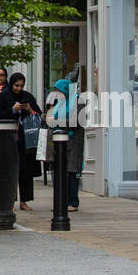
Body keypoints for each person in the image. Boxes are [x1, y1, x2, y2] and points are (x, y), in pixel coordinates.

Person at [0, 73, 41, 210]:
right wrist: (12, 110)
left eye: (21, 86)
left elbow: (38, 113)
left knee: (26, 170)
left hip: (26, 139)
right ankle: (10, 201)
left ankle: (24, 201)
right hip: (10, 138)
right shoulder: (3, 97)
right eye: (16, 85)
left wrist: (29, 109)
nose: (19, 88)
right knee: (12, 169)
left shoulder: (27, 97)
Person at [45, 78, 85, 211]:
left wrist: (55, 121)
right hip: (58, 144)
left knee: (71, 173)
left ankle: (72, 202)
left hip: (72, 143)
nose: (56, 94)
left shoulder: (78, 102)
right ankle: (61, 202)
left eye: (59, 91)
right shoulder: (58, 104)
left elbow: (75, 121)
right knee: (59, 173)